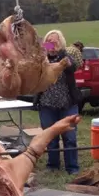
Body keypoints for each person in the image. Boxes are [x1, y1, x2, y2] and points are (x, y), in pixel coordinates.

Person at [34, 29, 82, 175]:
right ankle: (53, 165)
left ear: (61, 43)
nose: (52, 44)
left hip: (67, 104)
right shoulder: (41, 59)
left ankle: (72, 167)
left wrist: (62, 56)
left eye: (55, 41)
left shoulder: (66, 56)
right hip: (47, 104)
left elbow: (72, 65)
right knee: (50, 137)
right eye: (49, 42)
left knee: (70, 137)